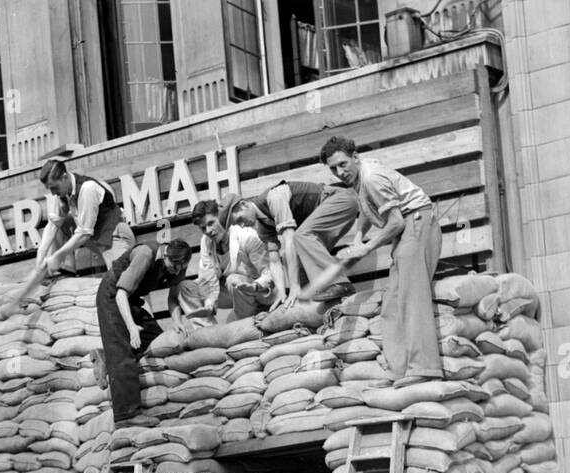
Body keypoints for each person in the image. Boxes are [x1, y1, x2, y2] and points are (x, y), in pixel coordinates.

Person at [298, 135, 442, 379]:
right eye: (333, 168)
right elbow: (367, 208)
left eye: (343, 164)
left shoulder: (372, 177)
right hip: (404, 232)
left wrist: (366, 248)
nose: (340, 172)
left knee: (412, 298)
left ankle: (425, 369)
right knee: (391, 305)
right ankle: (401, 371)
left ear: (355, 156)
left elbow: (395, 221)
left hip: (416, 223)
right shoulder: (359, 179)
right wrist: (358, 237)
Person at [0, 159, 135, 319]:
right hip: (96, 238)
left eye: (54, 187)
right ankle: (66, 270)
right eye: (49, 189)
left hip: (115, 236)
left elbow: (84, 233)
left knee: (127, 289)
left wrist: (57, 256)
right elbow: (53, 225)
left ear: (65, 176)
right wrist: (41, 255)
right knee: (62, 223)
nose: (52, 193)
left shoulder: (87, 189)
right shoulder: (62, 193)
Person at [94, 238, 192, 426]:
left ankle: (105, 356)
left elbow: (173, 297)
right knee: (123, 350)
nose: (177, 270)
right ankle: (126, 415)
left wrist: (177, 321)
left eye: (182, 266)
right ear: (165, 254)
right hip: (113, 296)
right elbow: (121, 293)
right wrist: (131, 328)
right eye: (174, 264)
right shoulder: (146, 254)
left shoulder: (179, 263)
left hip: (131, 299)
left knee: (156, 341)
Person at [227, 181, 359, 309]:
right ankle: (332, 306)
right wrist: (281, 293)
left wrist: (294, 287)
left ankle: (340, 283)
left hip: (341, 200)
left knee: (299, 238)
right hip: (327, 218)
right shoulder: (262, 226)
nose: (242, 225)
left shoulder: (274, 197)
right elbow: (274, 261)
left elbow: (289, 239)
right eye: (238, 224)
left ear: (244, 204)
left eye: (240, 219)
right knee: (293, 259)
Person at [172, 198, 274, 325]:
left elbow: (269, 272)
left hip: (258, 292)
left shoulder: (246, 236)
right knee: (185, 288)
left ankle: (246, 324)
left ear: (221, 217)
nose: (208, 231)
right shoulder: (206, 241)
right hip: (233, 293)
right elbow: (207, 278)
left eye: (211, 223)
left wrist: (254, 286)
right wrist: (209, 304)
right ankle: (208, 331)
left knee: (233, 280)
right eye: (203, 228)